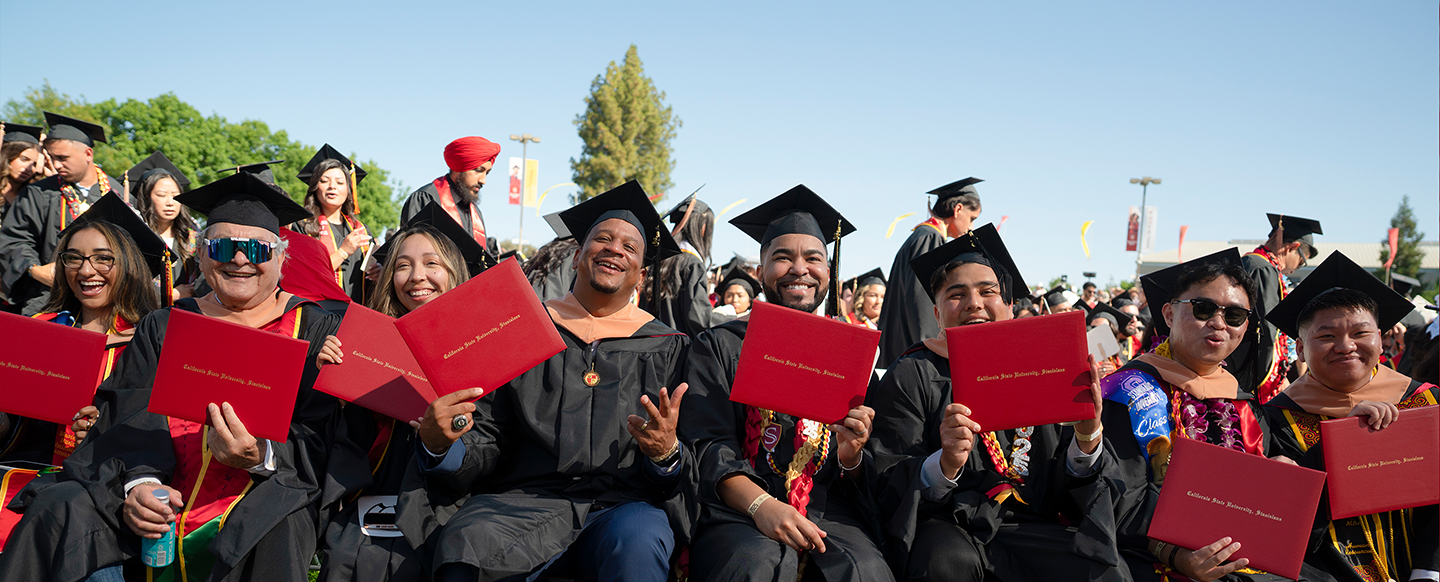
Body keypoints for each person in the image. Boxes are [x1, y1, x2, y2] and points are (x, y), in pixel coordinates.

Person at [0, 171, 343, 582]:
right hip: (159, 484)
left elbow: (325, 435)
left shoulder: (314, 329)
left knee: (276, 524)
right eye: (222, 246)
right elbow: (128, 410)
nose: (239, 259)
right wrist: (139, 483)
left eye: (257, 248)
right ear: (199, 255)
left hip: (261, 489)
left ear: (282, 259)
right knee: (63, 505)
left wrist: (262, 456)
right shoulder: (164, 325)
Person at [397, 181, 693, 582]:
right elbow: (487, 433)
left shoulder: (668, 347)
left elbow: (686, 461)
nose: (613, 248)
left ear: (640, 275)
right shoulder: (521, 330)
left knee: (639, 548)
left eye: (629, 247)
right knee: (465, 547)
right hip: (521, 504)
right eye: (602, 239)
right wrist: (440, 446)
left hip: (624, 507)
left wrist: (665, 455)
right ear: (576, 256)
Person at [867, 226, 1121, 581]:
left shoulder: (1046, 366)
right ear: (938, 316)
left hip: (1028, 525)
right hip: (947, 523)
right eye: (956, 294)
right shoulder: (913, 372)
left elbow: (1073, 487)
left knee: (1103, 569)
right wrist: (945, 463)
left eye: (988, 292)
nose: (974, 303)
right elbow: (886, 476)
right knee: (944, 560)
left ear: (1011, 305)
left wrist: (1087, 435)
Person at [681, 185, 891, 581]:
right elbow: (707, 445)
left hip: (829, 508)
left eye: (814, 258)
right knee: (755, 563)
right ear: (761, 271)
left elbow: (875, 468)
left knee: (863, 571)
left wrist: (851, 454)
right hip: (738, 507)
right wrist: (763, 505)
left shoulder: (853, 353)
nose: (800, 269)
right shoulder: (720, 346)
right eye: (782, 257)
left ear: (828, 273)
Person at [1099, 249, 1291, 581]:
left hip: (1238, 557)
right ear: (1169, 314)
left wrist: (1277, 482)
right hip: (1145, 557)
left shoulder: (1242, 402)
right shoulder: (1127, 392)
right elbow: (1115, 498)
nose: (1218, 323)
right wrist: (1173, 553)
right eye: (1203, 309)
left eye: (1234, 315)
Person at [315, 214, 487, 582]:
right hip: (376, 494)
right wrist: (336, 381)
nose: (417, 277)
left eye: (432, 264)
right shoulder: (369, 342)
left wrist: (443, 441)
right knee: (347, 555)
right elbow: (346, 444)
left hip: (453, 500)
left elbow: (491, 446)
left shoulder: (480, 348)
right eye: (403, 266)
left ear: (455, 273)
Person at [1260, 252, 1438, 582]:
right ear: (1299, 349)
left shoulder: (1425, 402)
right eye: (1326, 336)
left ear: (1381, 338)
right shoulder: (1275, 421)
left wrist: (1429, 571)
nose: (1345, 346)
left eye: (1360, 333)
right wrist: (1342, 443)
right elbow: (1281, 523)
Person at [0, 194, 166, 466]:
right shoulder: (41, 329)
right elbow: (16, 427)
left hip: (109, 482)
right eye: (74, 258)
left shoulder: (149, 344)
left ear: (128, 265)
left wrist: (104, 436)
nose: (86, 271)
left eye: (103, 259)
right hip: (25, 473)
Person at [0, 112, 125, 315]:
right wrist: (34, 269)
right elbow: (15, 239)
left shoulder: (117, 193)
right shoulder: (39, 192)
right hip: (48, 298)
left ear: (88, 154)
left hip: (105, 303)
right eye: (52, 157)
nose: (56, 165)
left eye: (63, 158)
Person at [876, 178, 982, 368]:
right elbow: (923, 305)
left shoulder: (920, 236)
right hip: (916, 359)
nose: (971, 227)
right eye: (972, 218)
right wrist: (934, 354)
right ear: (958, 209)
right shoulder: (930, 239)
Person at [1235, 213, 1323, 404]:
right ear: (1293, 247)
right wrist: (1273, 376)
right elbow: (1267, 328)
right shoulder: (1263, 269)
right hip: (1250, 378)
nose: (1296, 269)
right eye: (1301, 261)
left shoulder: (1254, 263)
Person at [291, 144, 372, 300]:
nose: (332, 187)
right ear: (315, 187)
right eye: (324, 181)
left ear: (349, 189)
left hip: (358, 313)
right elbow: (304, 276)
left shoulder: (360, 229)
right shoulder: (303, 227)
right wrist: (343, 252)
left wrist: (377, 271)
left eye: (340, 183)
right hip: (320, 313)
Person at [399, 136, 500, 255]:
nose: (483, 180)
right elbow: (411, 251)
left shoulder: (475, 212)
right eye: (478, 170)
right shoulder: (426, 199)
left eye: (487, 173)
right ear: (459, 167)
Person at [126, 150, 200, 301]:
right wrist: (172, 295)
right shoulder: (134, 239)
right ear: (146, 198)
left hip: (187, 313)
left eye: (175, 195)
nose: (170, 202)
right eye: (161, 195)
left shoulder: (192, 239)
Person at [640, 194, 714, 337]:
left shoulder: (657, 260)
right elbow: (699, 318)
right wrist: (732, 319)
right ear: (702, 227)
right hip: (677, 349)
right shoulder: (692, 264)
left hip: (649, 346)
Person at [1, 123, 44, 221]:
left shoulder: (32, 198)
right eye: (24, 159)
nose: (28, 168)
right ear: (8, 156)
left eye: (34, 164)